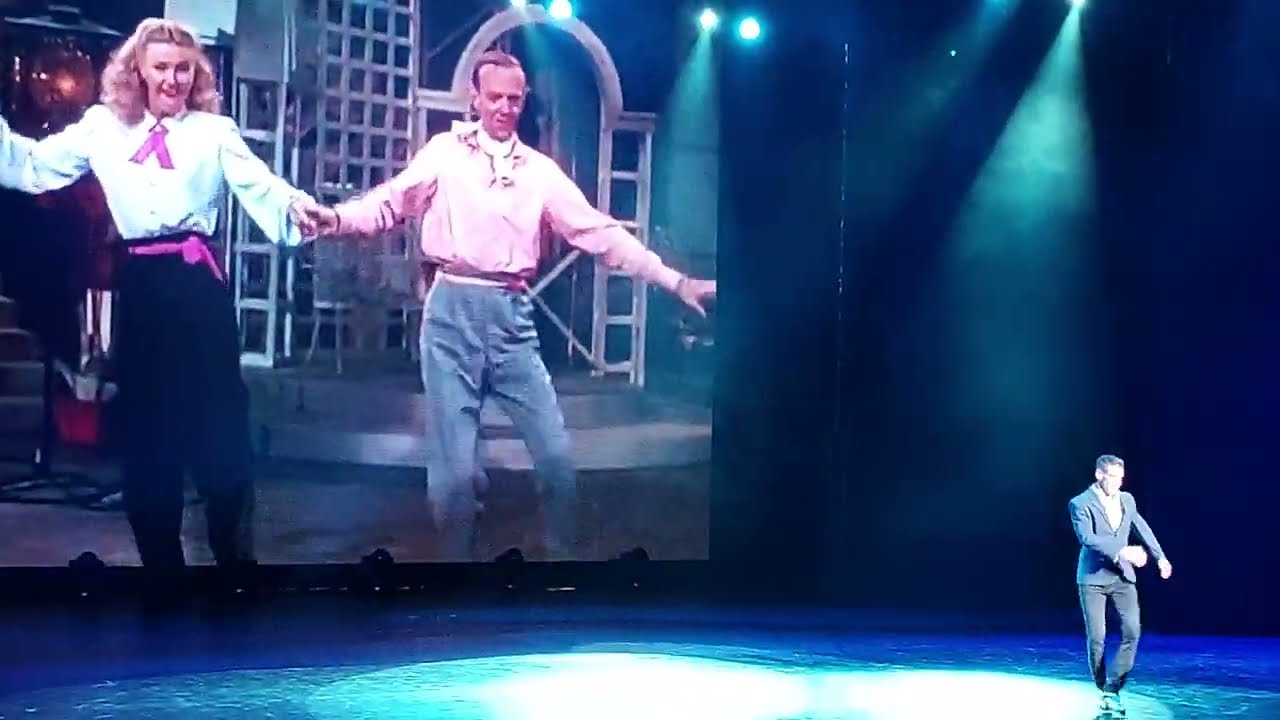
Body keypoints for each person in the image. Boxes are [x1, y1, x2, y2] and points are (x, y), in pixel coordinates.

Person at [299, 50, 716, 560]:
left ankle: (559, 568)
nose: (504, 107)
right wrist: (336, 220)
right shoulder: (444, 152)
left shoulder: (539, 172)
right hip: (451, 311)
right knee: (454, 473)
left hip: (511, 316)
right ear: (474, 97)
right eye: (494, 97)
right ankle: (460, 577)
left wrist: (676, 282)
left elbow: (599, 232)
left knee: (557, 457)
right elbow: (391, 201)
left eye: (514, 99)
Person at [0, 18, 321, 587]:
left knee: (221, 429)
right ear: (137, 72)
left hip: (197, 289)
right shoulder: (102, 127)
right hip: (142, 291)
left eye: (183, 69)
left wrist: (300, 209)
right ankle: (162, 577)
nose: (172, 80)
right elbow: (31, 166)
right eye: (161, 69)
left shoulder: (213, 131)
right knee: (149, 436)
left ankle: (234, 566)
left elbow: (262, 188)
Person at [1068, 454, 1173, 716]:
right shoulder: (1080, 503)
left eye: (1121, 478)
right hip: (1093, 578)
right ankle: (1103, 687)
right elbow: (1087, 538)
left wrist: (1160, 557)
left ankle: (1112, 687)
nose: (1117, 483)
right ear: (1099, 475)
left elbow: (1141, 526)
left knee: (1132, 631)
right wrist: (1124, 552)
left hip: (1122, 577)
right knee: (1098, 639)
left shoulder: (1127, 499)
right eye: (1112, 477)